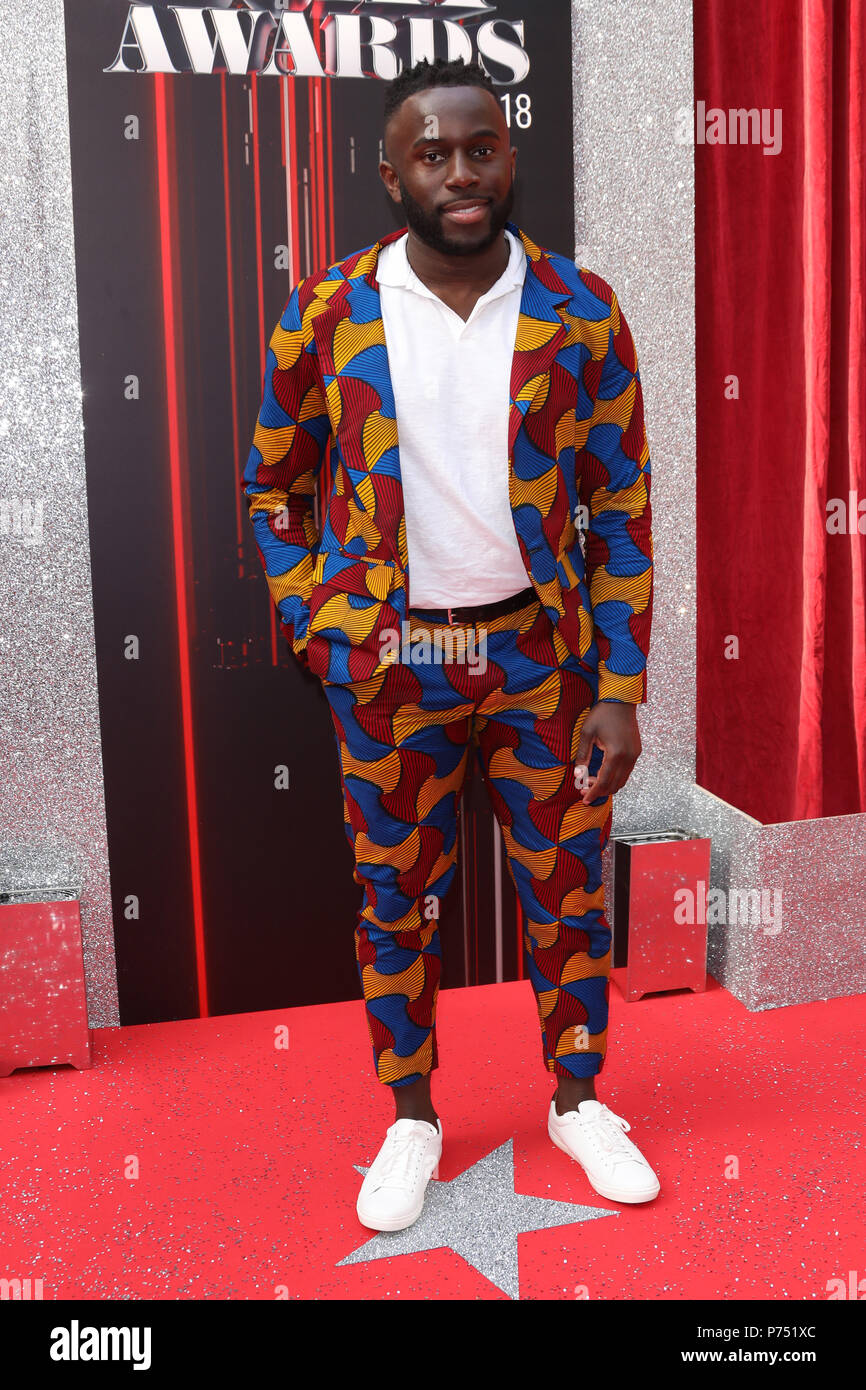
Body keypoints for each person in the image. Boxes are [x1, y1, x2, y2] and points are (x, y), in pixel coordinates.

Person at [242, 57, 658, 1232]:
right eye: (433, 153)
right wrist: (319, 627)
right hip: (389, 669)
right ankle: (412, 1116)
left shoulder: (582, 310)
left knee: (567, 889)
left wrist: (616, 685)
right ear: (391, 174)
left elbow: (619, 507)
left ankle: (577, 1100)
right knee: (393, 898)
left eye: (480, 148)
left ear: (508, 156)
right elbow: (271, 490)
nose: (461, 174)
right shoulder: (327, 313)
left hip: (542, 661)